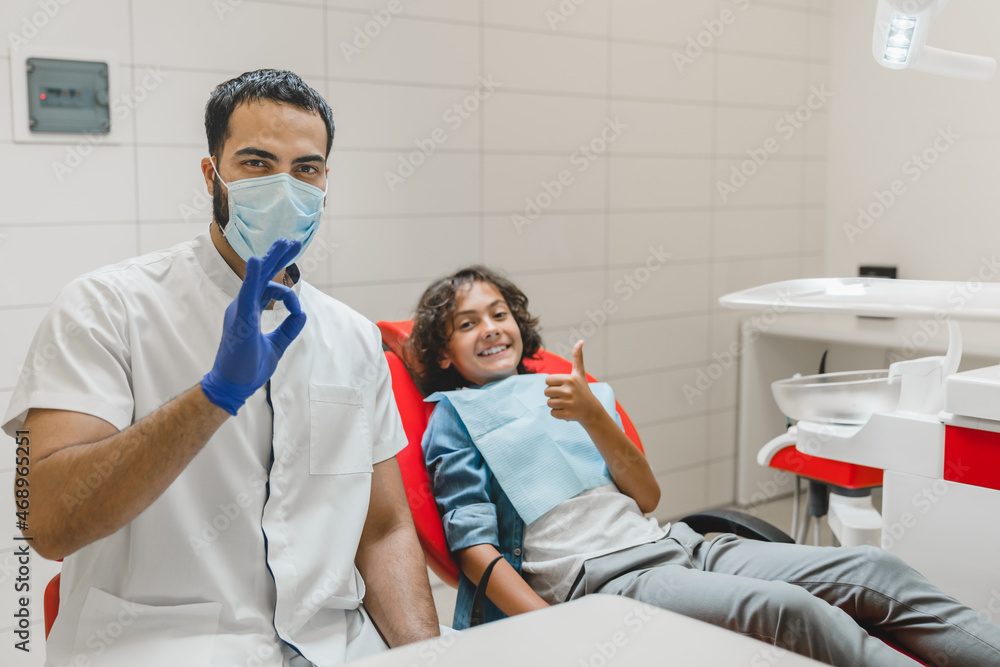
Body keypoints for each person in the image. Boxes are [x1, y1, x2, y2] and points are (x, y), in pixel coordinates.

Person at [3, 69, 440, 666]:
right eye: (257, 163)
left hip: (332, 648)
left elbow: (385, 528)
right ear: (213, 175)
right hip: (160, 648)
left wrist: (429, 657)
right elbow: (45, 520)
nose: (285, 187)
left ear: (324, 182)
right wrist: (214, 397)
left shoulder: (354, 337)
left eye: (305, 169)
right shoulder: (106, 307)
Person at [408, 265, 1000, 667]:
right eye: (467, 323)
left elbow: (646, 496)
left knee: (874, 568)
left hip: (679, 544)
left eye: (499, 313)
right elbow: (474, 553)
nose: (491, 329)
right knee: (794, 612)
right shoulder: (455, 421)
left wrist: (593, 416)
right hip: (606, 581)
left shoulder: (569, 389)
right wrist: (558, 635)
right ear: (441, 351)